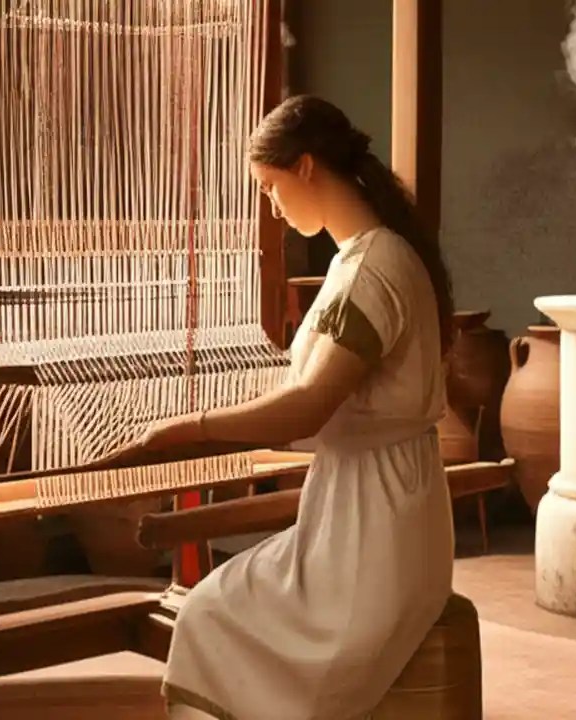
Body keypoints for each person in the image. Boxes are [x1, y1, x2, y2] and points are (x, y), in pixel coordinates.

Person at [116, 94, 457, 720]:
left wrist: (182, 427)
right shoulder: (369, 259)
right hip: (378, 515)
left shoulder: (371, 271)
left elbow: (307, 407)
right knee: (216, 607)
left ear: (304, 167)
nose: (270, 204)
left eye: (270, 186)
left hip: (374, 540)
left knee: (208, 616)